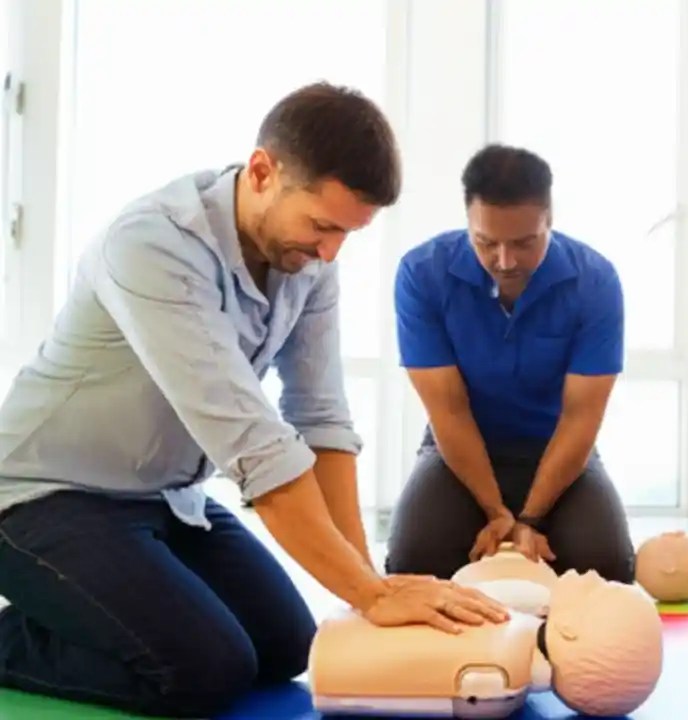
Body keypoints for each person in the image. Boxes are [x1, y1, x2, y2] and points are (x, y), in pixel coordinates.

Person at [0, 82, 509, 719]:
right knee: (206, 669)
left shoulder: (309, 261)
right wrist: (372, 595)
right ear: (263, 171)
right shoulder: (151, 245)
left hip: (166, 500)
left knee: (284, 645)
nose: (330, 252)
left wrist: (365, 582)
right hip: (40, 497)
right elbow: (254, 445)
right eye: (322, 226)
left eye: (347, 234)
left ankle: (87, 603)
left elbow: (320, 419)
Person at [385, 143, 633, 584]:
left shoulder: (596, 281)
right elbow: (449, 409)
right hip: (459, 447)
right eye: (486, 242)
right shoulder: (421, 274)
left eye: (524, 243)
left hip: (557, 445)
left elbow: (582, 415)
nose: (504, 261)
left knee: (605, 563)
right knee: (415, 556)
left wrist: (531, 518)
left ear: (549, 219)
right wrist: (496, 511)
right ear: (468, 222)